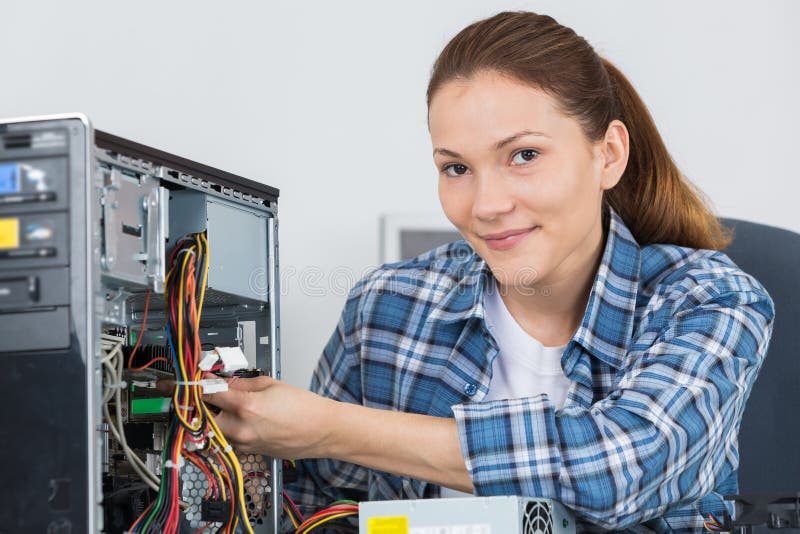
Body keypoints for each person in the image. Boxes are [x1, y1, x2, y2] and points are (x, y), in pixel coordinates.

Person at [203, 11, 775, 532]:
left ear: (609, 155)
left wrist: (334, 427)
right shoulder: (385, 308)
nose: (485, 205)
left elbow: (615, 471)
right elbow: (316, 510)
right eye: (456, 168)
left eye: (524, 156)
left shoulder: (710, 302)